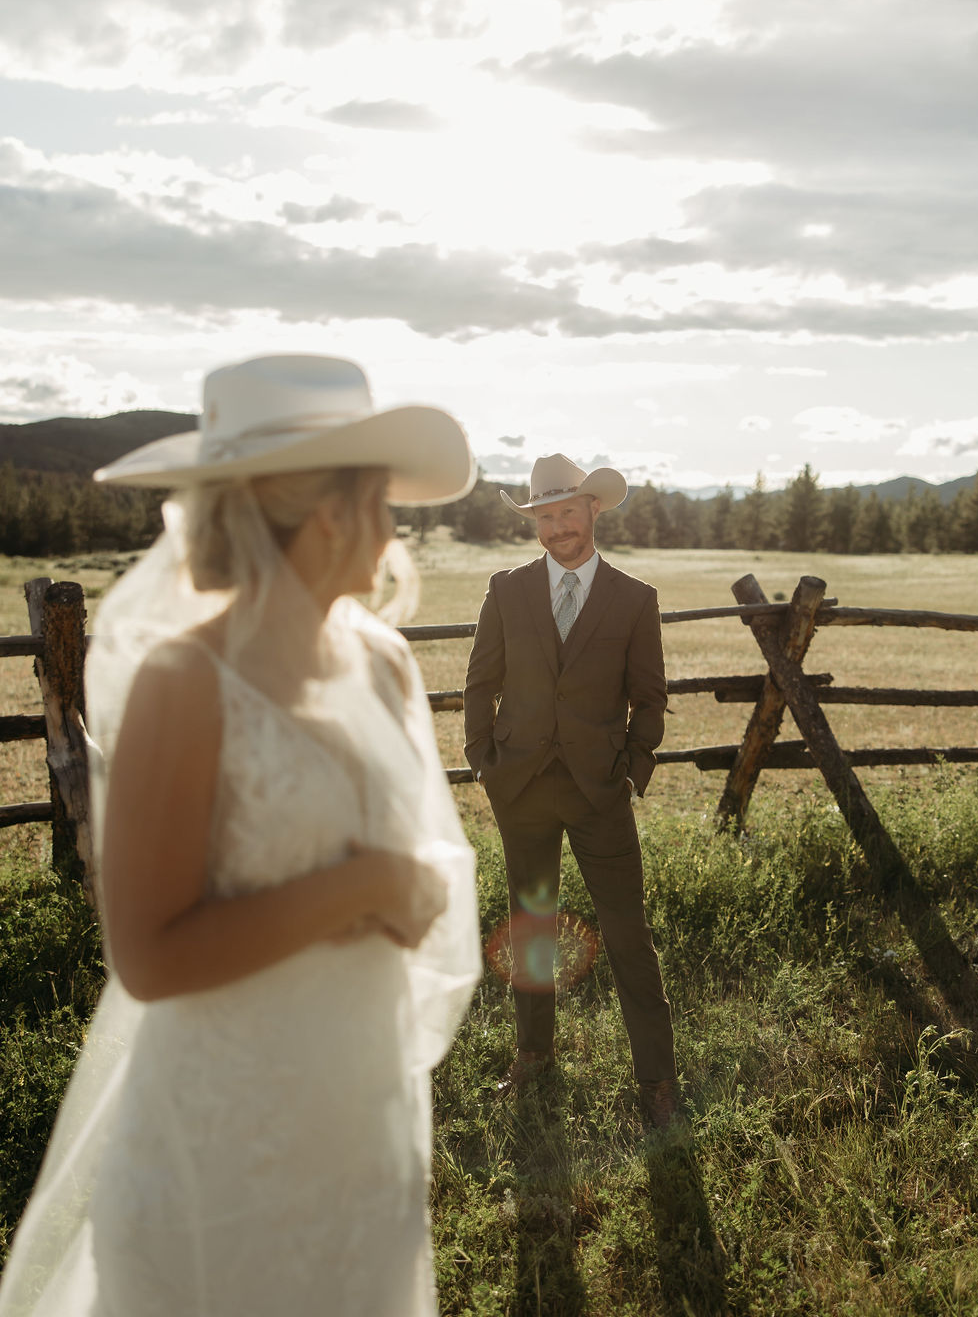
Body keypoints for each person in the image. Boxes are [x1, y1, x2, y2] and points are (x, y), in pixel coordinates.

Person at [0, 354, 481, 1317]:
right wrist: (358, 889)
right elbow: (147, 954)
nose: (396, 529)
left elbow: (413, 863)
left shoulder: (384, 666)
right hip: (223, 1147)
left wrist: (415, 890)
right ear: (326, 508)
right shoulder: (187, 682)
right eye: (377, 498)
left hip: (362, 1118)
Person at [463, 453, 680, 1129]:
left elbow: (649, 698)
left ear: (593, 511)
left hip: (598, 794)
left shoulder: (633, 599)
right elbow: (480, 684)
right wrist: (485, 764)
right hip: (521, 789)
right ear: (535, 524)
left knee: (627, 935)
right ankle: (533, 1053)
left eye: (568, 512)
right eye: (545, 516)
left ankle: (657, 1081)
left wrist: (630, 770)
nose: (558, 527)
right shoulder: (507, 591)